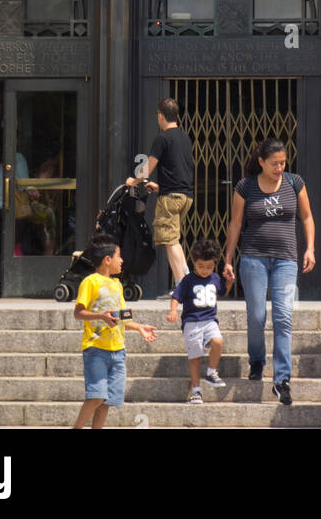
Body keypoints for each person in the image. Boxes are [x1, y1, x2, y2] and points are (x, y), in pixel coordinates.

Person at [222, 136, 316, 404]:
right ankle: (256, 360)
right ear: (261, 162)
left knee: (283, 317)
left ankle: (282, 379)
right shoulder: (245, 186)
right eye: (274, 163)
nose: (279, 168)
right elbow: (236, 224)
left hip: (286, 260)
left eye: (283, 163)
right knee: (257, 315)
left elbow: (307, 217)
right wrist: (228, 259)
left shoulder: (294, 183)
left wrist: (310, 248)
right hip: (254, 260)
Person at [72, 235, 156, 429]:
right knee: (96, 396)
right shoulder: (90, 282)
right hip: (96, 350)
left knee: (107, 402)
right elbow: (78, 313)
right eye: (119, 256)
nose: (122, 260)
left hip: (118, 352)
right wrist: (100, 316)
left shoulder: (117, 285)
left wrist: (139, 327)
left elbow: (122, 318)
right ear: (107, 260)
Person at [127, 97, 194, 289]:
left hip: (171, 198)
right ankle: (186, 279)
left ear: (161, 115)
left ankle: (182, 284)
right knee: (174, 238)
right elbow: (181, 168)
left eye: (158, 114)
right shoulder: (184, 137)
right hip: (185, 196)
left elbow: (148, 168)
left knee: (169, 240)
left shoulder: (162, 138)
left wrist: (134, 180)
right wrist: (159, 186)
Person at [166, 235, 228, 404]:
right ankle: (196, 391)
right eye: (200, 266)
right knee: (195, 357)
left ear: (215, 263)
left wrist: (229, 280)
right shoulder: (188, 280)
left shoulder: (215, 278)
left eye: (209, 267)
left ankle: (211, 372)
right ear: (194, 262)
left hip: (209, 320)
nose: (204, 270)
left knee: (218, 342)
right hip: (192, 322)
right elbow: (176, 297)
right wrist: (173, 311)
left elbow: (222, 291)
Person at [0, 124, 29, 294]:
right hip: (12, 211)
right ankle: (15, 286)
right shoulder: (17, 158)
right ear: (13, 139)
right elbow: (24, 185)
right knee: (14, 247)